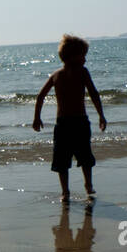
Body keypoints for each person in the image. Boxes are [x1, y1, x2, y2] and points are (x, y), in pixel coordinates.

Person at [32, 34, 106, 202]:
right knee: (61, 160)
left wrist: (101, 115)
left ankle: (88, 185)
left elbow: (94, 94)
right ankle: (65, 191)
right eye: (83, 55)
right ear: (71, 56)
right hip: (63, 124)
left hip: (80, 122)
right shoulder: (57, 75)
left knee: (85, 156)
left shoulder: (83, 73)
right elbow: (40, 96)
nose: (85, 60)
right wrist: (37, 117)